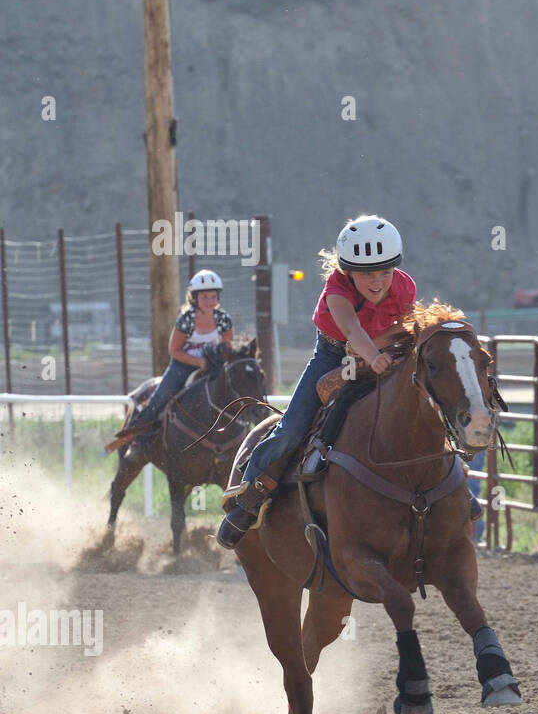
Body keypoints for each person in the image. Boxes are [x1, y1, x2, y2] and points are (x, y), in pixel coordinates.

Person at [217, 215, 417, 548]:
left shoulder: (405, 286)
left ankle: (443, 486)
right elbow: (352, 332)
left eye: (385, 271)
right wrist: (375, 359)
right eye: (368, 273)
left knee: (421, 403)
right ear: (348, 272)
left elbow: (406, 326)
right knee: (294, 428)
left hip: (385, 349)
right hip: (334, 353)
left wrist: (393, 354)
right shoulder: (337, 292)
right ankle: (250, 493)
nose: (378, 282)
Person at [108, 269, 234, 450]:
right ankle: (136, 437)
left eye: (214, 296)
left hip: (213, 366)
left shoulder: (223, 319)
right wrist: (199, 363)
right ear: (195, 297)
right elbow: (174, 351)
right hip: (183, 366)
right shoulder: (186, 320)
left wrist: (220, 362)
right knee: (160, 397)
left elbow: (227, 348)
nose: (210, 301)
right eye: (205, 297)